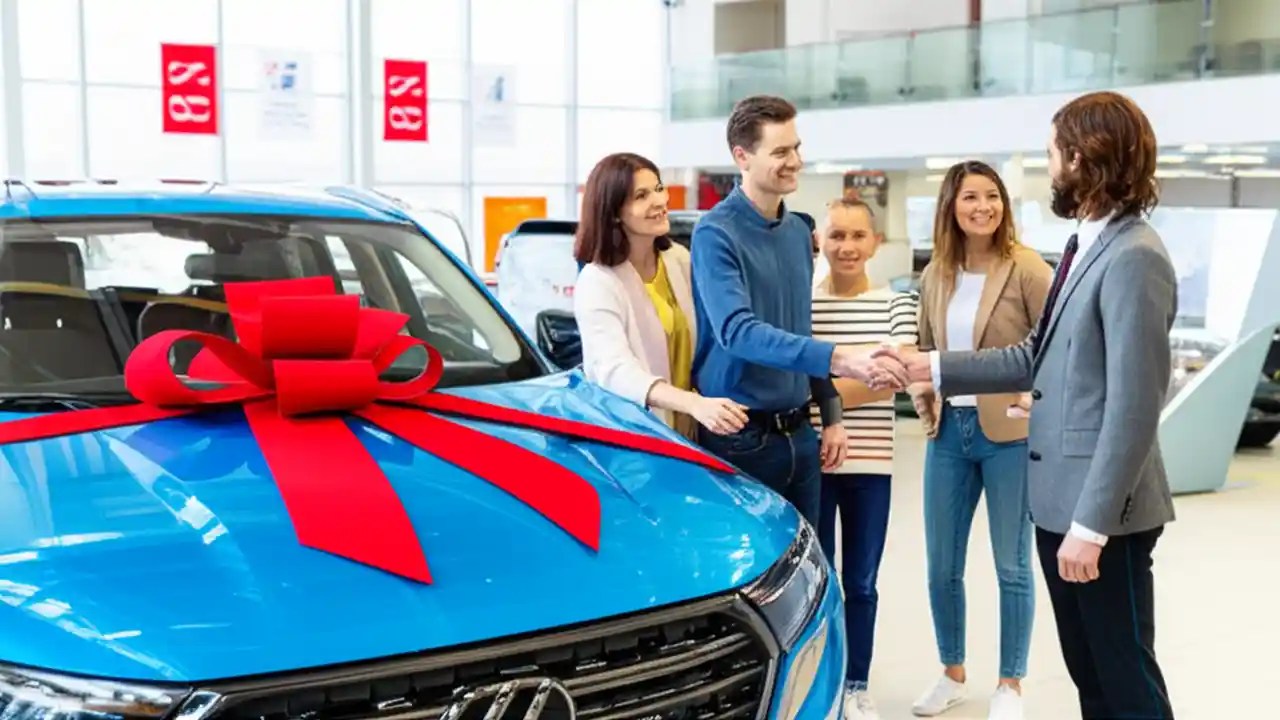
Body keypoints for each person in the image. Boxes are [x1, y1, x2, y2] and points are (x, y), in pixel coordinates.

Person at [896, 91, 1178, 720]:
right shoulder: (1085, 245)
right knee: (1092, 677)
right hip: (1059, 503)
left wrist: (1091, 526)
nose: (1049, 167)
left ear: (1082, 158)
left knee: (1126, 680)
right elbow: (1033, 357)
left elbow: (1135, 407)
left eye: (1053, 153)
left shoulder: (1134, 256)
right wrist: (930, 366)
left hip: (1101, 516)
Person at [690, 94, 908, 526]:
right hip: (740, 439)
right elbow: (737, 332)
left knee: (813, 560)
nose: (795, 161)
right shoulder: (715, 233)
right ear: (742, 156)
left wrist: (831, 413)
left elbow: (799, 328)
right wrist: (841, 358)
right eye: (780, 152)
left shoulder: (797, 232)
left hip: (801, 436)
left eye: (796, 148)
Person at [908, 161, 1053, 720]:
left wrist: (1035, 403)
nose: (983, 207)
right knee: (941, 566)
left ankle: (1010, 683)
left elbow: (1054, 347)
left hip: (1008, 435)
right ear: (952, 205)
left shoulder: (1027, 268)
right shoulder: (936, 273)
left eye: (992, 196)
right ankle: (952, 672)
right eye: (971, 197)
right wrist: (925, 402)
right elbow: (926, 349)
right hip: (949, 432)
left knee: (1011, 565)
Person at [810, 198, 919, 720]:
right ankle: (819, 686)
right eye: (837, 235)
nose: (847, 246)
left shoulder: (897, 305)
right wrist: (860, 379)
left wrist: (817, 393)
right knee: (817, 582)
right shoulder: (804, 305)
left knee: (860, 583)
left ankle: (856, 683)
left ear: (876, 243)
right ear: (820, 241)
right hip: (811, 463)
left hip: (871, 467)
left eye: (858, 236)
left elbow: (894, 378)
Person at [573, 152, 750, 439]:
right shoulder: (598, 281)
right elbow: (614, 370)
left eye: (658, 188)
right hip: (637, 436)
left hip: (692, 430)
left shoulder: (678, 259)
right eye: (641, 196)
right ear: (614, 212)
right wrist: (692, 403)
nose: (659, 201)